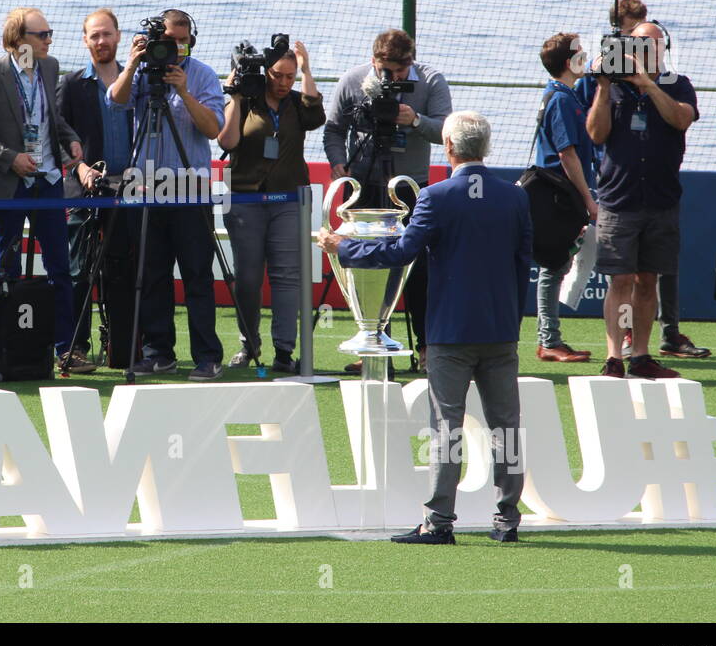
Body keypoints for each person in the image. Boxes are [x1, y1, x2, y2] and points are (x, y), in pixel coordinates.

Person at [318, 112, 530, 544]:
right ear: (484, 148)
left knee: (446, 428)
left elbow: (401, 252)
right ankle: (507, 519)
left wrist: (345, 247)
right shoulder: (514, 197)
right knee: (505, 426)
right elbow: (522, 262)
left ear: (448, 147)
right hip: (500, 329)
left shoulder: (437, 196)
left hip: (451, 332)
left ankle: (439, 521)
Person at [583, 0, 710, 360]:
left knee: (648, 280)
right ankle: (614, 355)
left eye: (653, 45)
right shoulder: (613, 85)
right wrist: (605, 86)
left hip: (660, 199)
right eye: (639, 44)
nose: (646, 51)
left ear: (662, 49)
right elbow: (595, 134)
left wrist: (647, 84)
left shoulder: (677, 83)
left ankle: (641, 353)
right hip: (618, 199)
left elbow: (682, 119)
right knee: (619, 280)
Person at [106, 9, 226, 381]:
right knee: (152, 275)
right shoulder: (142, 71)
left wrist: (184, 91)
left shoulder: (202, 74)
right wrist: (130, 64)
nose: (173, 48)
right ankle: (159, 352)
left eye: (180, 40)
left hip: (190, 190)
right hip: (145, 189)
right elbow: (115, 101)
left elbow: (213, 128)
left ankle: (207, 356)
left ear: (191, 39)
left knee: (197, 277)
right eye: (167, 41)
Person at [323, 28, 452, 373]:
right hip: (363, 185)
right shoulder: (352, 80)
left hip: (410, 186)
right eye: (386, 70)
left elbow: (446, 130)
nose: (392, 77)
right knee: (367, 266)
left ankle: (426, 348)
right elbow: (333, 129)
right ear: (373, 60)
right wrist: (338, 163)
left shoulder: (431, 80)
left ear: (411, 61)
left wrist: (416, 120)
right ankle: (372, 343)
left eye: (399, 71)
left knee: (418, 268)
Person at [0, 7, 87, 370]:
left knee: (60, 268)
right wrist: (10, 158)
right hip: (11, 183)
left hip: (48, 180)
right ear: (19, 40)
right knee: (8, 267)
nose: (49, 40)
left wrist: (70, 140)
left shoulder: (50, 68)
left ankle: (66, 349)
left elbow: (51, 115)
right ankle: (5, 349)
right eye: (43, 35)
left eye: (49, 33)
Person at [218, 39, 324, 372]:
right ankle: (249, 345)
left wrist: (307, 69)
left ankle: (283, 350)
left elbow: (317, 115)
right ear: (266, 72)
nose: (282, 83)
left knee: (286, 276)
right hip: (245, 200)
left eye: (290, 76)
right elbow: (226, 141)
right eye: (277, 75)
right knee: (248, 278)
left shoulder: (298, 104)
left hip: (288, 200)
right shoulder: (247, 99)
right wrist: (234, 94)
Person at [56, 8, 136, 365]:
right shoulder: (71, 84)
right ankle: (76, 349)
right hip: (82, 191)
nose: (101, 41)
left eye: (107, 34)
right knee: (78, 272)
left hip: (131, 192)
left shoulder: (138, 79)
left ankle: (122, 350)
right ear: (85, 40)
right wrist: (80, 167)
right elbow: (56, 137)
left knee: (123, 270)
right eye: (94, 35)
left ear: (118, 36)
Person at [534, 32, 598, 363]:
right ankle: (549, 340)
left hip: (563, 193)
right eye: (579, 52)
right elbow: (567, 154)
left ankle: (550, 338)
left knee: (557, 265)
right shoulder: (560, 99)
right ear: (568, 61)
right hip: (560, 195)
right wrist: (588, 200)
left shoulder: (565, 95)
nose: (585, 56)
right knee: (554, 265)